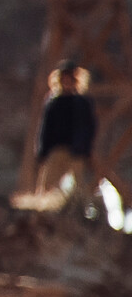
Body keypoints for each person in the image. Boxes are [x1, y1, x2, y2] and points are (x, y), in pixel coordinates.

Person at [36, 60, 98, 209]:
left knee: (77, 187)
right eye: (64, 79)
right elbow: (45, 128)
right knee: (47, 186)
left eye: (70, 79)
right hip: (56, 149)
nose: (67, 82)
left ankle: (79, 211)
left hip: (76, 152)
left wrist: (85, 149)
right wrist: (42, 151)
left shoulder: (82, 102)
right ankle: (44, 210)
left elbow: (89, 127)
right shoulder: (53, 102)